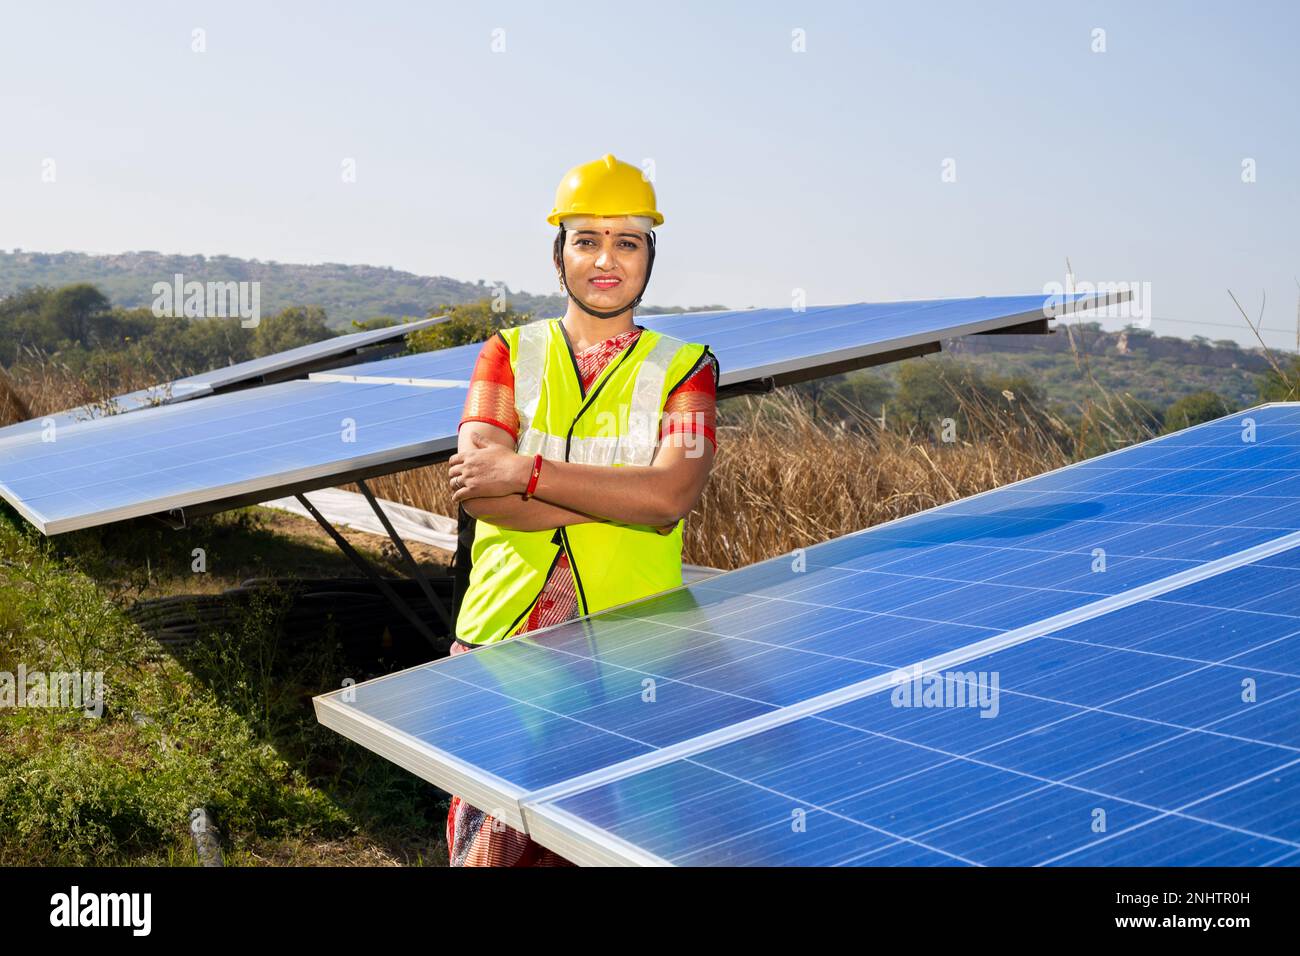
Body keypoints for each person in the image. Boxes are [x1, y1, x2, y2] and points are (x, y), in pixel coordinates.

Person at [443, 153, 719, 866]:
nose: (606, 259)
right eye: (586, 240)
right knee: (494, 847)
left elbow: (670, 496)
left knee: (625, 846)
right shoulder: (505, 354)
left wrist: (526, 471)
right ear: (558, 252)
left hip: (640, 652)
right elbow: (481, 491)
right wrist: (624, 495)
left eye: (627, 242)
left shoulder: (688, 369)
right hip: (504, 645)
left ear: (650, 255)